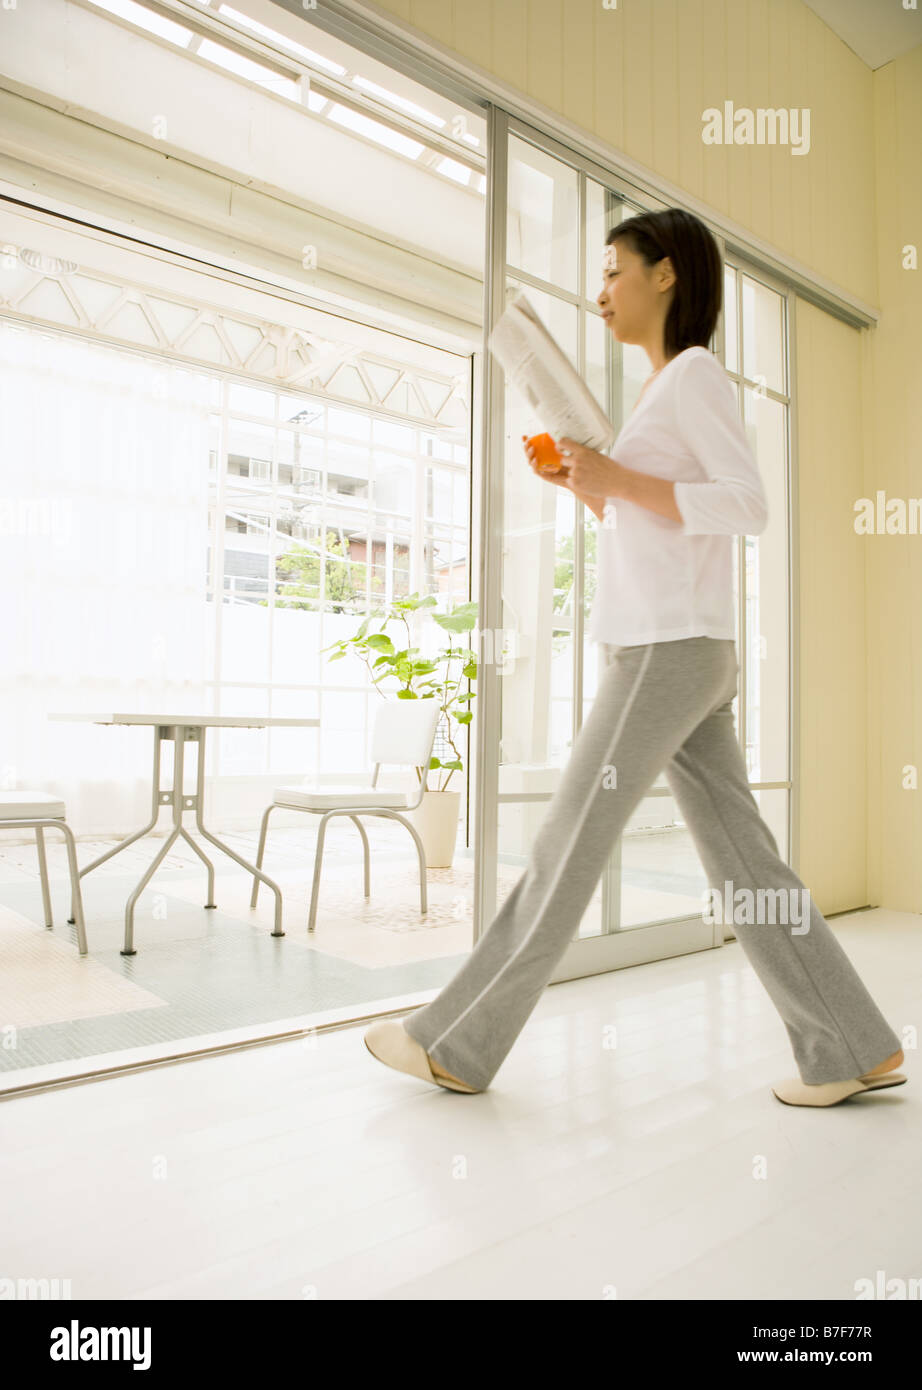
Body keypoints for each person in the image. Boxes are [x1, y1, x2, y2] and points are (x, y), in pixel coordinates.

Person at [365, 208, 905, 1109]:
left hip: (665, 651)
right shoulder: (663, 392)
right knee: (746, 863)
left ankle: (455, 1042)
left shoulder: (693, 376)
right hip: (680, 647)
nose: (601, 290)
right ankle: (849, 1044)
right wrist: (590, 489)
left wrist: (614, 478)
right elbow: (656, 523)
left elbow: (746, 504)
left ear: (666, 275)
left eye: (614, 270)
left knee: (566, 843)